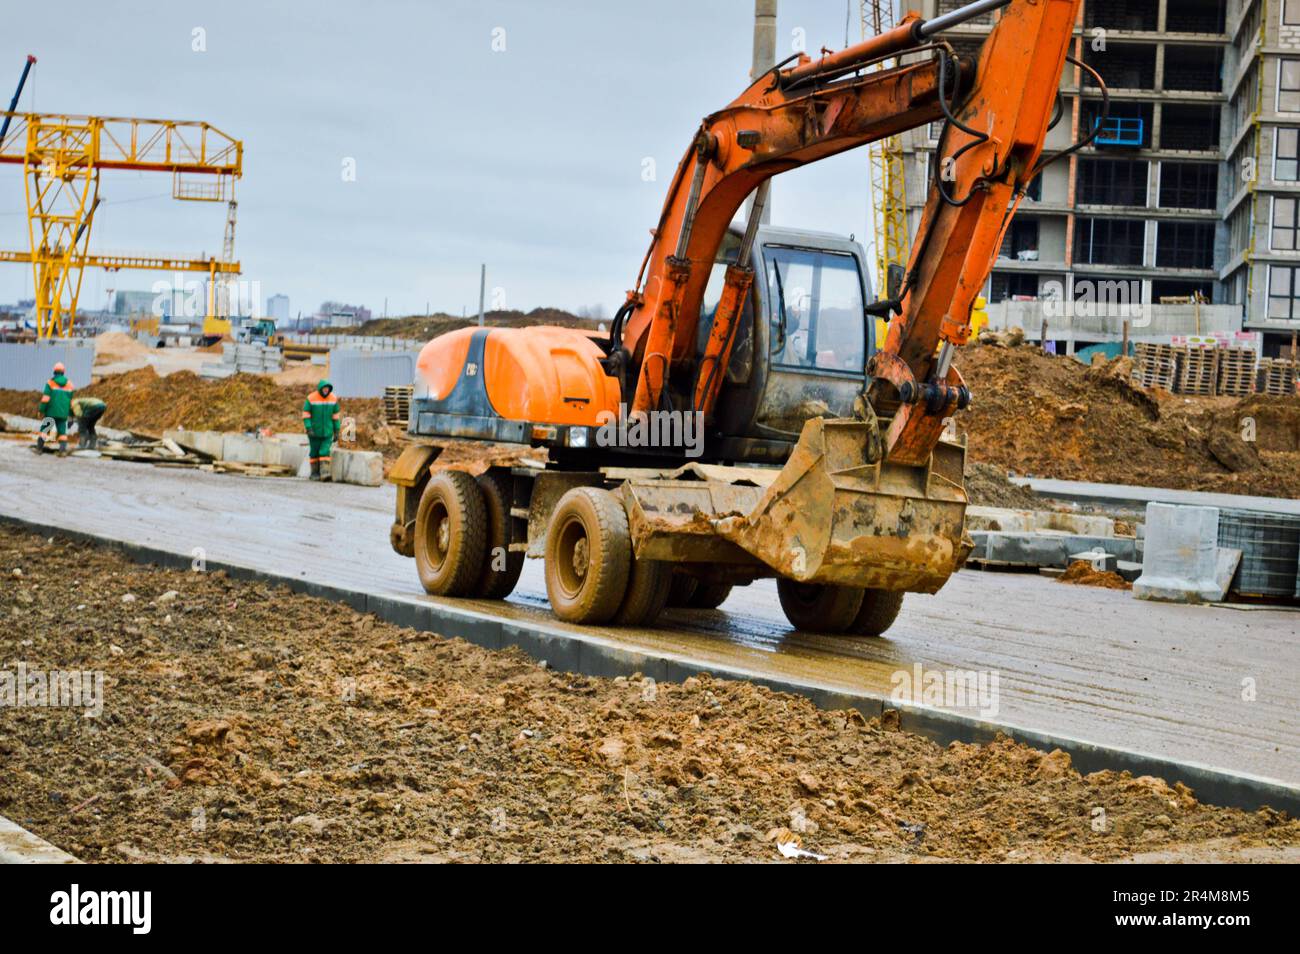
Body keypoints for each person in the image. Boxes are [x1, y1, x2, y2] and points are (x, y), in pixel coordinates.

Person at [302, 379, 341, 481]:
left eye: (327, 388)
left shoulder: (333, 399)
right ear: (320, 388)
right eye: (324, 388)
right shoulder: (311, 398)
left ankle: (324, 473)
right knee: (314, 452)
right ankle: (314, 473)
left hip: (328, 432)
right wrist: (309, 428)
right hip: (314, 432)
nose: (326, 390)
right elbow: (306, 415)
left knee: (325, 451)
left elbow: (336, 417)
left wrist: (337, 431)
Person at [37, 362, 75, 456]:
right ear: (63, 372)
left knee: (45, 430)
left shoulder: (50, 383)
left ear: (54, 371)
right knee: (62, 432)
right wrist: (71, 414)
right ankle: (62, 451)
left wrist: (41, 410)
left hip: (51, 412)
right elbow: (71, 402)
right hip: (63, 413)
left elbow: (45, 398)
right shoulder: (69, 384)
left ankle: (39, 449)